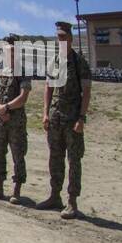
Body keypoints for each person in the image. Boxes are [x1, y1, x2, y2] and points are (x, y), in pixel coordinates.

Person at [38, 21, 92, 219]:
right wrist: (45, 113)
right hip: (55, 117)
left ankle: (72, 201)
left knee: (74, 159)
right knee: (55, 157)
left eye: (63, 37)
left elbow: (86, 92)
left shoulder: (79, 63)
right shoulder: (54, 62)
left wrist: (81, 118)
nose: (60, 40)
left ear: (70, 39)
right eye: (58, 37)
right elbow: (48, 89)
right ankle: (54, 196)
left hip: (72, 119)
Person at [0, 34, 30, 203]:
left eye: (12, 47)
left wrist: (7, 107)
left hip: (15, 121)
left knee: (18, 154)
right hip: (0, 119)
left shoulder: (22, 69)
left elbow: (24, 96)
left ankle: (16, 189)